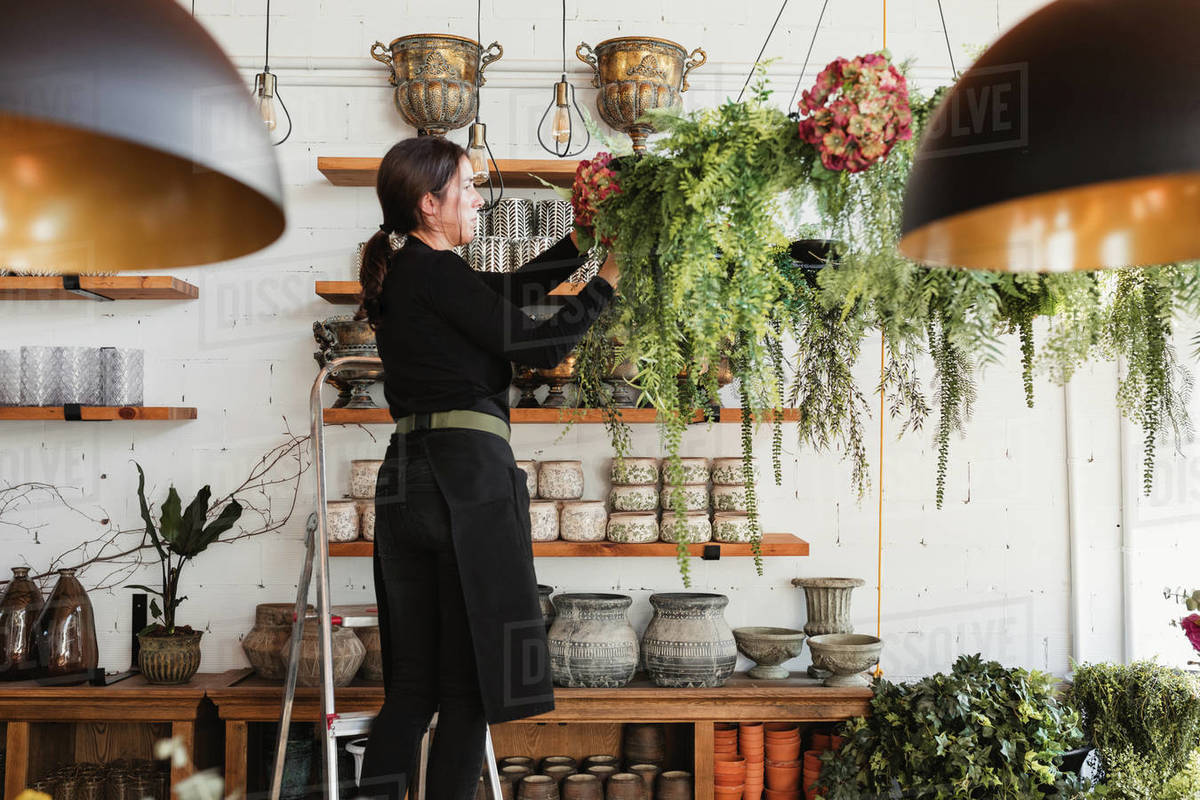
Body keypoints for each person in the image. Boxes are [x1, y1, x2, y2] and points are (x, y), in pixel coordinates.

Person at [353, 135, 619, 800]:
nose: (478, 199)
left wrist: (584, 235)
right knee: (470, 692)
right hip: (464, 486)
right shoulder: (433, 272)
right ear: (429, 203)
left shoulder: (414, 271)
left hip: (406, 485)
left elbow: (513, 290)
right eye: (468, 188)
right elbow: (539, 343)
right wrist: (608, 279)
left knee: (412, 692)